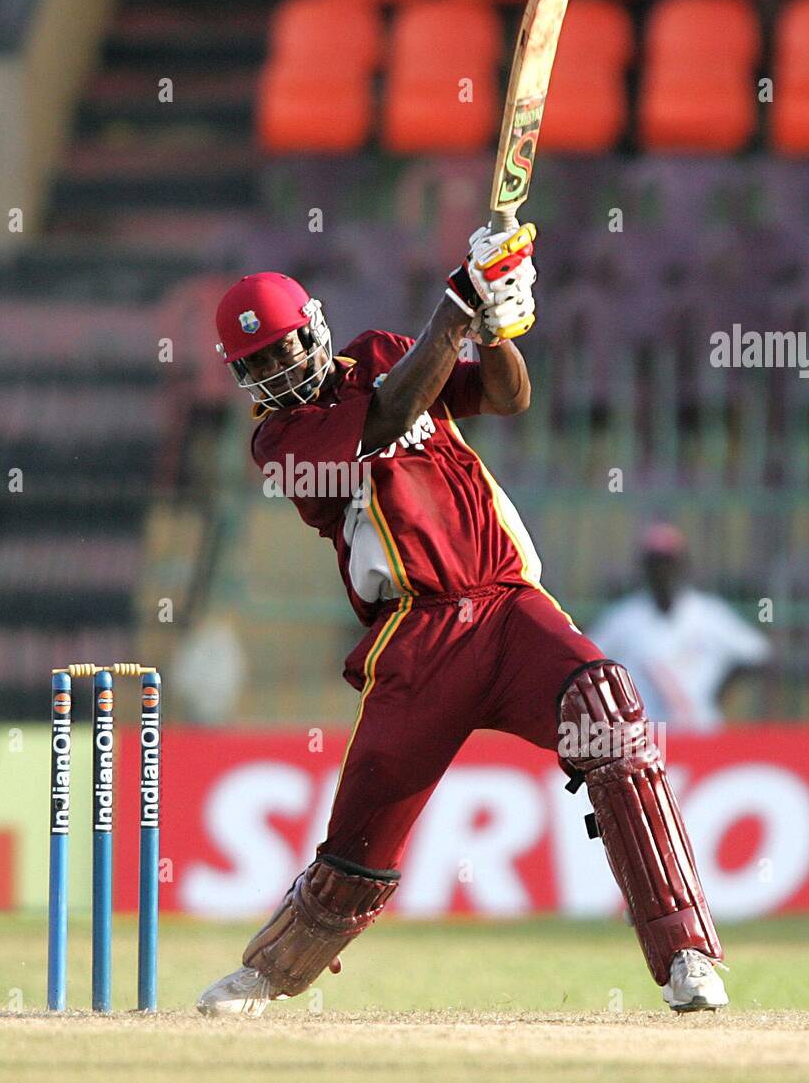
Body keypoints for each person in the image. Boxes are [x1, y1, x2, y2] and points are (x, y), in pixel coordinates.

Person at [198, 224, 726, 1018]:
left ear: (315, 326)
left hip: (511, 607)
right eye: (260, 365)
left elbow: (508, 394)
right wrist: (458, 304)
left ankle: (685, 949)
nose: (278, 371)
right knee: (357, 849)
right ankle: (271, 973)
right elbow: (386, 419)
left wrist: (499, 326)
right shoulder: (280, 441)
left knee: (610, 718)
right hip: (416, 639)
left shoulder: (381, 352)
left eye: (283, 350)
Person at [590, 523, 770, 731]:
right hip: (644, 736)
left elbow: (759, 654)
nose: (662, 572)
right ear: (645, 569)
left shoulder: (708, 614)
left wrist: (718, 692)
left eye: (668, 563)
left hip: (700, 729)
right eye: (655, 564)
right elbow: (588, 663)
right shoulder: (625, 618)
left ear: (683, 566)